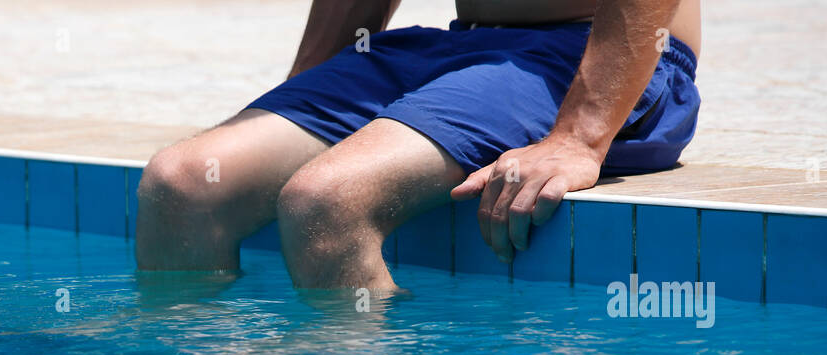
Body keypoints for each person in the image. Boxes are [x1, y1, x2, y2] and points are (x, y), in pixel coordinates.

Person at [135, 0, 701, 289]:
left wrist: (579, 136)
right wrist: (304, 94)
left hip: (594, 55)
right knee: (183, 183)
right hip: (461, 48)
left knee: (327, 198)